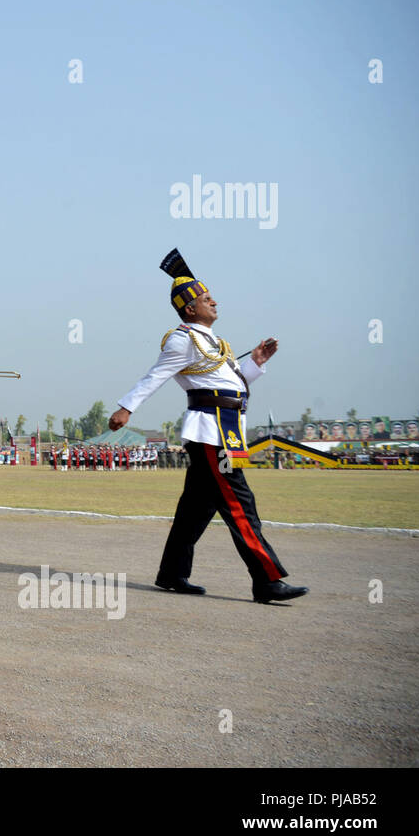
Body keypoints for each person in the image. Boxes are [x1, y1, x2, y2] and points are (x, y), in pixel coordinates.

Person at [109, 249, 307, 604]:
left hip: (228, 430)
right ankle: (267, 579)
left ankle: (172, 574)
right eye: (204, 298)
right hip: (211, 433)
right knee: (239, 504)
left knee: (196, 509)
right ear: (189, 309)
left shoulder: (218, 343)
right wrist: (127, 407)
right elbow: (155, 376)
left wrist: (256, 364)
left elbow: (232, 387)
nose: (213, 301)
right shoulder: (183, 339)